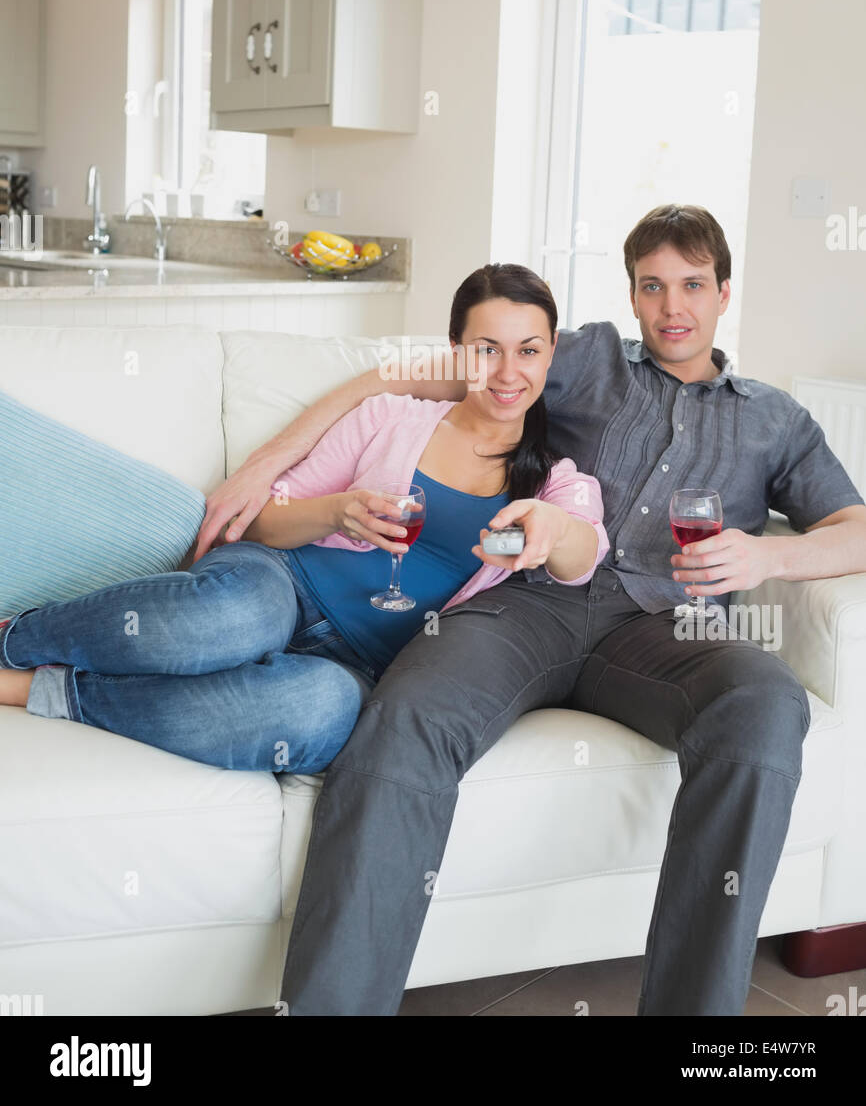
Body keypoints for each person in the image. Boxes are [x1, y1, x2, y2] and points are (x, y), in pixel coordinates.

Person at [195, 202, 866, 1017]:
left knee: (766, 703)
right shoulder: (580, 357)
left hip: (667, 631)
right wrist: (267, 462)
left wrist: (770, 556)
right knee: (409, 713)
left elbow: (854, 527)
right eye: (651, 287)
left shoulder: (776, 419)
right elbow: (395, 374)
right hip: (526, 603)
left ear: (725, 292)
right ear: (631, 295)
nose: (672, 307)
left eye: (692, 285)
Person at [0, 265, 606, 774]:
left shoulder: (555, 480)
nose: (507, 372)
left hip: (355, 665)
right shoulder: (392, 417)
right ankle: (14, 639)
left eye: (528, 350)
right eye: (486, 349)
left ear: (550, 353)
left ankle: (48, 692)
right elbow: (263, 522)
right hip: (280, 584)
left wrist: (552, 529)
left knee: (317, 713)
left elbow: (583, 552)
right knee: (240, 618)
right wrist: (334, 511)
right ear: (455, 351)